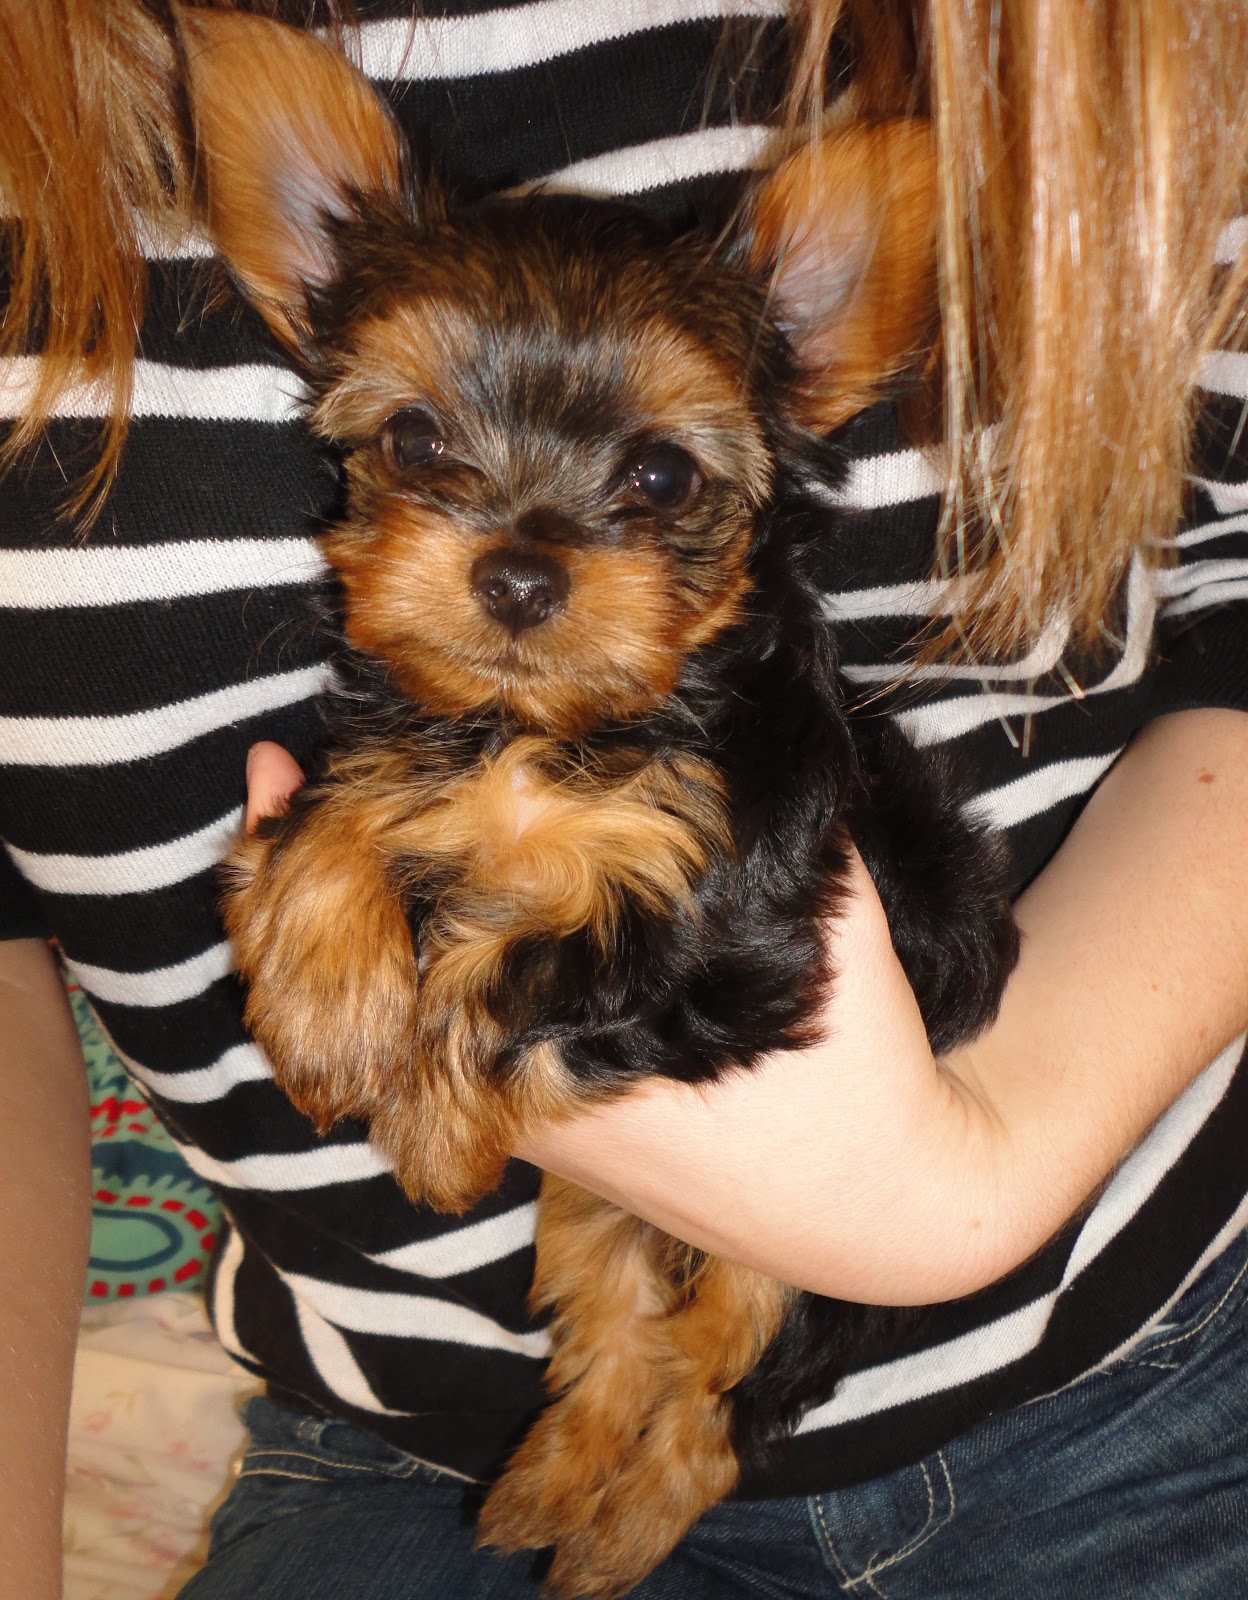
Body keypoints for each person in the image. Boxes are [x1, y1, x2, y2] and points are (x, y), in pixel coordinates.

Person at [3, 1, 1248, 1596]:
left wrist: (958, 1183)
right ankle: (623, 1406)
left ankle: (680, 1408)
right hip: (399, 1438)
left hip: (1142, 1373)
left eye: (657, 484)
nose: (521, 551)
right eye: (422, 442)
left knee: (707, 1289)